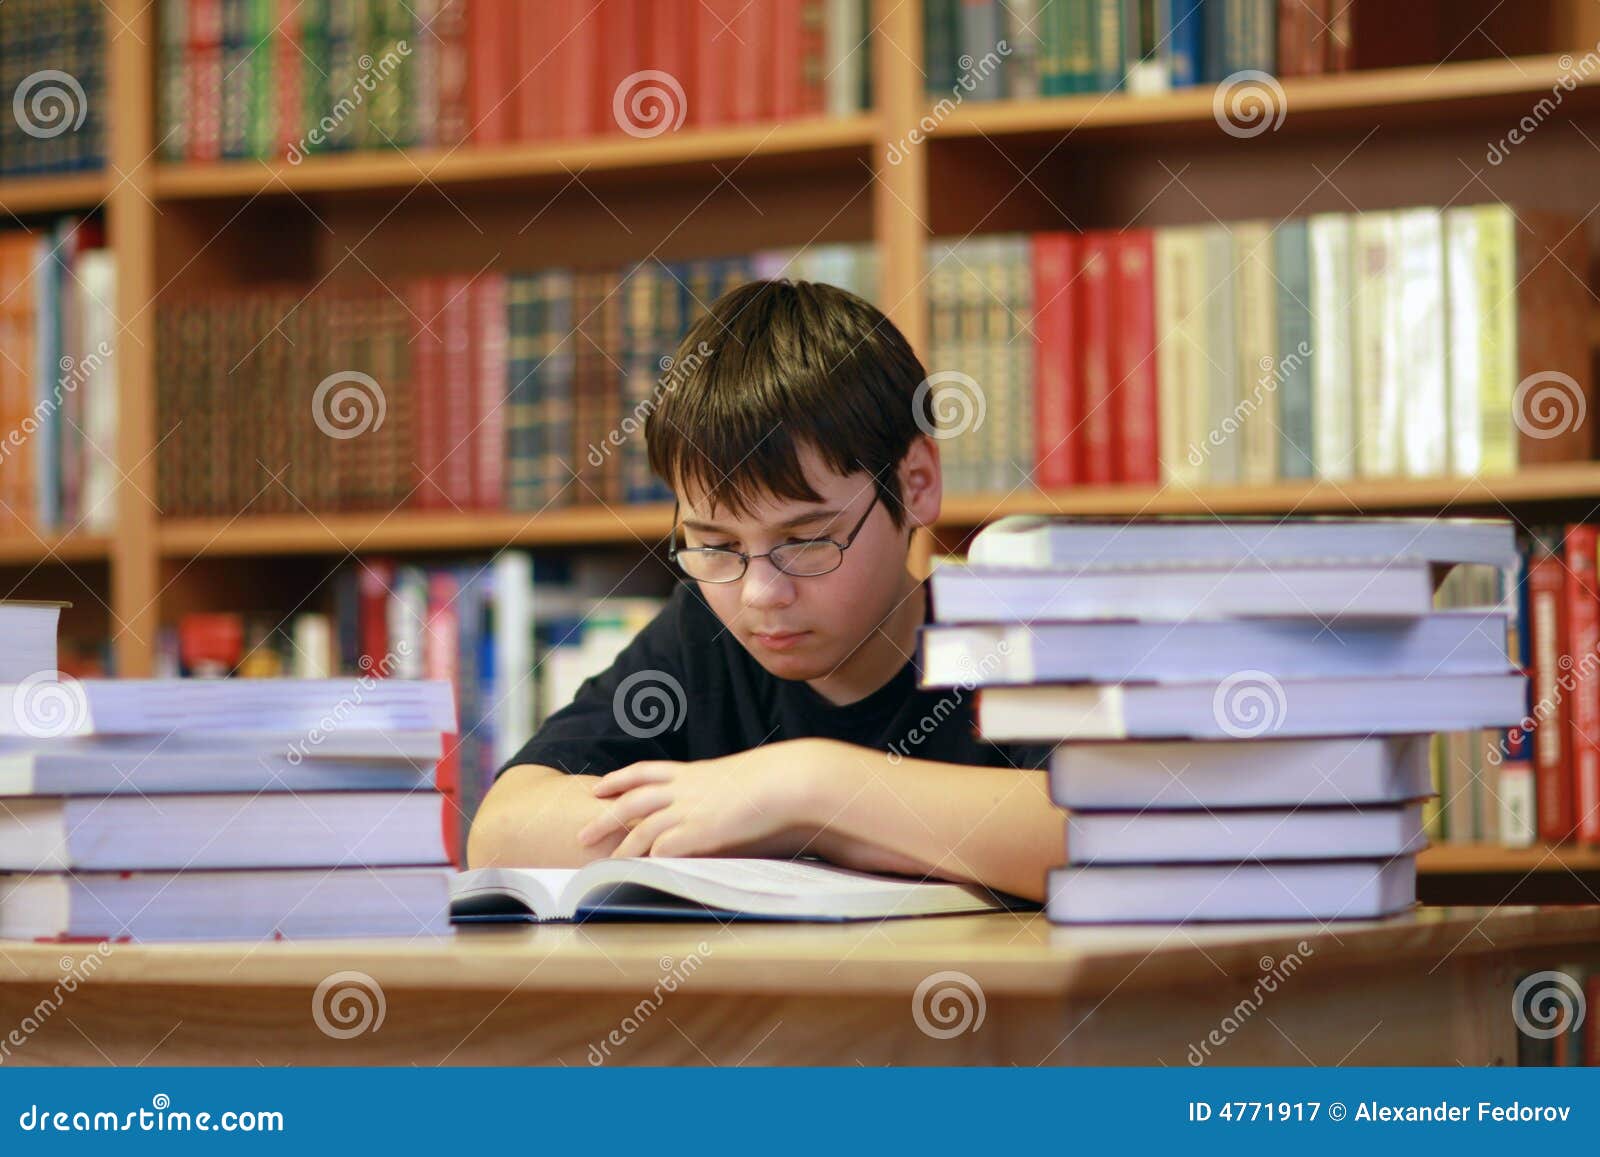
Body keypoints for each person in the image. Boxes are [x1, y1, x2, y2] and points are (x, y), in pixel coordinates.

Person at [466, 278, 1061, 901]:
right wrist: (795, 820)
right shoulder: (704, 635)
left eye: (806, 540)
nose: (759, 594)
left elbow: (1108, 833)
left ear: (915, 484)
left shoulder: (1015, 637)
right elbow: (505, 831)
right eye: (717, 546)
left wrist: (807, 788)